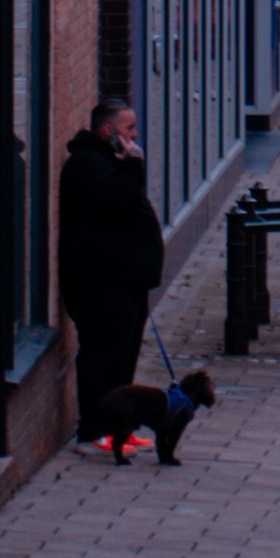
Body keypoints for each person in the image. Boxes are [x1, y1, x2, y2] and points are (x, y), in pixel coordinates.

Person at [57, 99, 202, 461]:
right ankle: (92, 432)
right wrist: (134, 163)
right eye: (130, 129)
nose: (136, 136)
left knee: (123, 359)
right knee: (103, 358)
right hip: (100, 284)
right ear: (110, 132)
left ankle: (118, 429)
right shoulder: (87, 164)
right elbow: (118, 200)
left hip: (125, 282)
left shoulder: (107, 162)